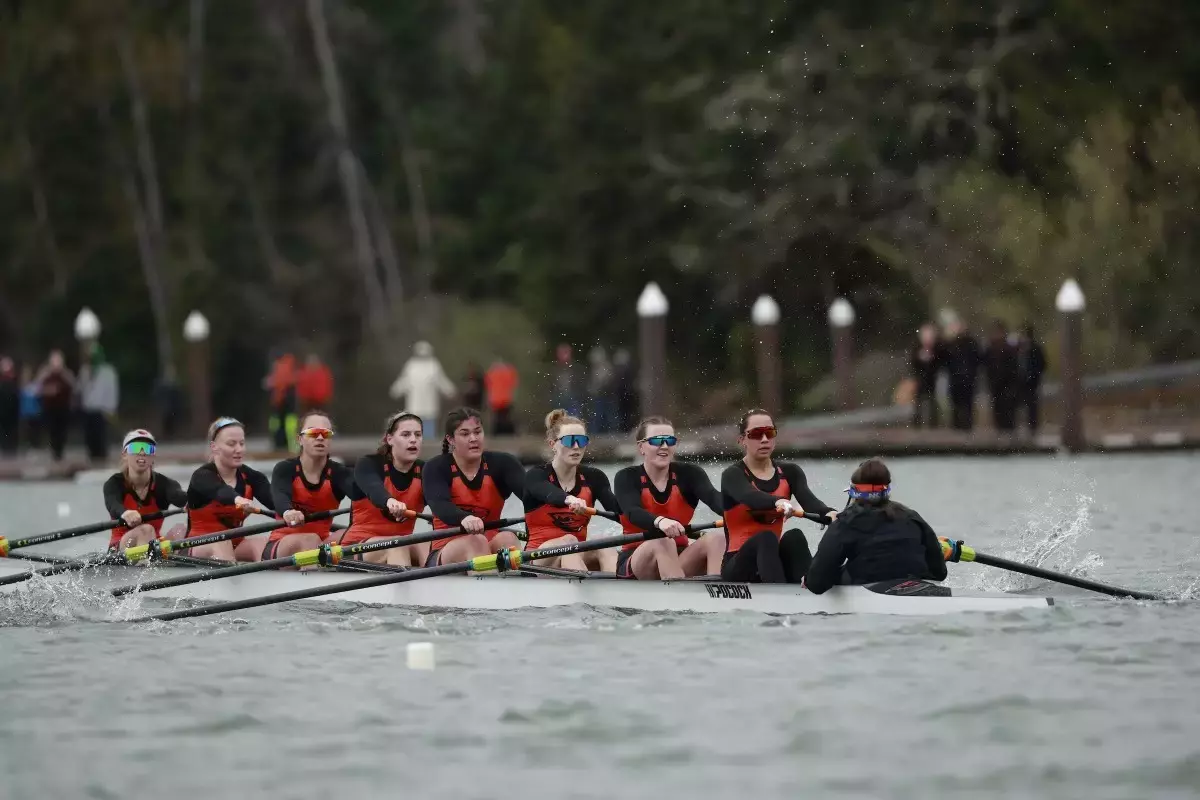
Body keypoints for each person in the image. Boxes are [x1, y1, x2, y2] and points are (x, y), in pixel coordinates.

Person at [720, 409, 835, 583]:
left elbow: (810, 502)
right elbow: (750, 497)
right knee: (766, 538)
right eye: (757, 434)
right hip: (737, 565)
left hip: (769, 560)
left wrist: (830, 513)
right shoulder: (732, 475)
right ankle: (780, 598)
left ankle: (809, 590)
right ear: (742, 440)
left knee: (795, 536)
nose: (765, 439)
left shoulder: (790, 472)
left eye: (770, 432)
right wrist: (777, 501)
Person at [805, 458, 948, 595]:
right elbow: (940, 573)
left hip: (870, 586)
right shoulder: (912, 517)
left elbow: (816, 584)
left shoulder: (845, 523)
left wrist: (810, 579)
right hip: (917, 583)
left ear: (854, 492)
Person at [613, 416, 726, 579]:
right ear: (641, 447)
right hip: (637, 559)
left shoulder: (690, 474)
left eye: (670, 440)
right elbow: (632, 512)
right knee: (663, 541)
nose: (664, 446)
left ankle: (719, 597)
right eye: (657, 441)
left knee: (717, 539)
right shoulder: (626, 477)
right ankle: (678, 597)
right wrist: (660, 521)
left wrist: (741, 511)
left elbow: (715, 498)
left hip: (680, 556)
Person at [422, 407, 524, 567]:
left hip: (488, 546)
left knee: (508, 539)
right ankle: (486, 586)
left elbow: (531, 496)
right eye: (465, 434)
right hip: (446, 551)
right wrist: (464, 518)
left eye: (478, 432)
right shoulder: (436, 467)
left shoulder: (503, 464)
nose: (473, 438)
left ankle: (513, 587)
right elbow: (440, 504)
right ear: (451, 439)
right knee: (475, 541)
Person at [523, 409, 620, 572]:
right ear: (552, 444)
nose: (576, 447)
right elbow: (549, 494)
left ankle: (621, 591)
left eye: (581, 441)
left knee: (604, 544)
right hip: (537, 559)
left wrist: (657, 520)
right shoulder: (536, 475)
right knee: (569, 541)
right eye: (569, 441)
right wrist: (570, 499)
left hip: (575, 552)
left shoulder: (594, 477)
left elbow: (620, 512)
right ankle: (581, 592)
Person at [340, 411, 427, 567]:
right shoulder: (369, 464)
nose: (413, 440)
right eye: (406, 435)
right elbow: (374, 488)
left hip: (399, 543)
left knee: (428, 545)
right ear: (390, 439)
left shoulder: (426, 471)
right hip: (355, 547)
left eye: (418, 435)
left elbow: (441, 500)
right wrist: (389, 501)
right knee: (396, 546)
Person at [267, 410, 354, 562]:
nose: (320, 437)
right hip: (282, 543)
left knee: (349, 534)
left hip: (321, 544)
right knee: (310, 540)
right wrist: (288, 511)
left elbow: (361, 492)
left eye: (325, 434)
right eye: (313, 433)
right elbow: (280, 496)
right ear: (299, 439)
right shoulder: (285, 469)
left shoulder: (339, 473)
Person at [184, 417, 275, 562]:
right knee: (221, 544)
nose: (239, 449)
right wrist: (238, 499)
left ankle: (274, 581)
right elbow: (220, 491)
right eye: (231, 444)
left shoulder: (252, 477)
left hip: (236, 544)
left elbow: (276, 501)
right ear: (214, 447)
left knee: (262, 544)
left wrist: (290, 510)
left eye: (242, 443)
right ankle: (228, 579)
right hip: (197, 545)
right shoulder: (202, 476)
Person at [102, 429, 188, 551]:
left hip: (155, 546)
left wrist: (193, 501)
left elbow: (179, 498)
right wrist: (126, 513)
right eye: (136, 447)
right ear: (125, 454)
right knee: (146, 530)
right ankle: (147, 567)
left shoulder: (164, 484)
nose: (142, 453)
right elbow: (113, 504)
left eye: (148, 449)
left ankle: (176, 564)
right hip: (121, 547)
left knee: (182, 529)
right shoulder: (114, 483)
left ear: (153, 456)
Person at [389, 341, 456, 440]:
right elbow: (404, 380)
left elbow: (441, 380)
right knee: (415, 423)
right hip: (415, 403)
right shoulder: (411, 365)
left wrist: (449, 390)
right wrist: (396, 390)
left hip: (429, 402)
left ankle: (427, 443)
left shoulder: (433, 365)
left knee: (428, 424)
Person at [78, 343, 119, 462]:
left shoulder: (108, 371)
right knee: (90, 437)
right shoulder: (84, 371)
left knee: (101, 436)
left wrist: (111, 408)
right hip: (88, 408)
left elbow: (112, 390)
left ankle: (102, 457)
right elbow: (81, 388)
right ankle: (92, 456)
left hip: (102, 408)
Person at [35, 349, 75, 461]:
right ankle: (54, 451)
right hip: (50, 408)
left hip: (63, 407)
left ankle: (60, 451)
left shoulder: (66, 374)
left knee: (62, 431)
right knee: (53, 431)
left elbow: (73, 386)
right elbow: (37, 388)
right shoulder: (46, 374)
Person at [941, 320, 980, 432]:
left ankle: (967, 426)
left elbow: (976, 359)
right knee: (955, 404)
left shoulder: (971, 344)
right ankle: (956, 426)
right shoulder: (951, 344)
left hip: (968, 379)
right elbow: (944, 359)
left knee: (967, 404)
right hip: (955, 378)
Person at [983, 319, 1019, 432]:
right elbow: (986, 365)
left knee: (1008, 408)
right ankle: (999, 429)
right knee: (997, 408)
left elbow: (1013, 367)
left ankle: (1008, 430)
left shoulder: (1009, 349)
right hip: (995, 383)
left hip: (1007, 383)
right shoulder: (990, 349)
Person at [909, 323, 943, 428]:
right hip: (920, 379)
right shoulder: (917, 348)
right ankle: (917, 424)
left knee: (932, 402)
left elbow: (940, 362)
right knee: (919, 402)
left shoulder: (937, 348)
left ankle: (933, 425)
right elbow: (913, 362)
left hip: (932, 379)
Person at [264, 352, 298, 452]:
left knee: (279, 422)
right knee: (287, 422)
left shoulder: (280, 366)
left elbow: (280, 384)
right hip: (287, 399)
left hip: (282, 399)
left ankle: (279, 444)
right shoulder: (290, 365)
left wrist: (271, 383)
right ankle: (288, 444)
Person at [1015, 324, 1047, 434]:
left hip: (1032, 382)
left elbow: (1042, 364)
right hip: (1019, 382)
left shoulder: (1036, 348)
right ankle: (1019, 428)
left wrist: (1034, 375)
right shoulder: (1018, 348)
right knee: (1019, 406)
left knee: (1032, 407)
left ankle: (1032, 428)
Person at [483, 357, 519, 435]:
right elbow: (514, 384)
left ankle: (497, 433)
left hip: (495, 399)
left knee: (497, 418)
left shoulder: (491, 372)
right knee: (506, 417)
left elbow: (487, 386)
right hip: (506, 398)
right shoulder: (509, 371)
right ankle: (508, 433)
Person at [0, 356, 18, 456]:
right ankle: (5, 449)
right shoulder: (2, 381)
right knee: (4, 432)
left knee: (11, 432)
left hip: (12, 411)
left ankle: (11, 450)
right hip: (2, 411)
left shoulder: (14, 379)